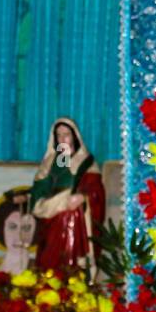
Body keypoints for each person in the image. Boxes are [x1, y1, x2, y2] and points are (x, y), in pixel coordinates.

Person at [30, 117, 105, 273]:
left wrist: (83, 198)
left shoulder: (86, 162)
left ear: (74, 136)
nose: (63, 138)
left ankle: (73, 273)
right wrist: (46, 202)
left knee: (70, 215)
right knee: (49, 254)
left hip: (75, 217)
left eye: (67, 134)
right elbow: (39, 190)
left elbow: (96, 192)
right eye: (59, 135)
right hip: (51, 214)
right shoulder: (51, 162)